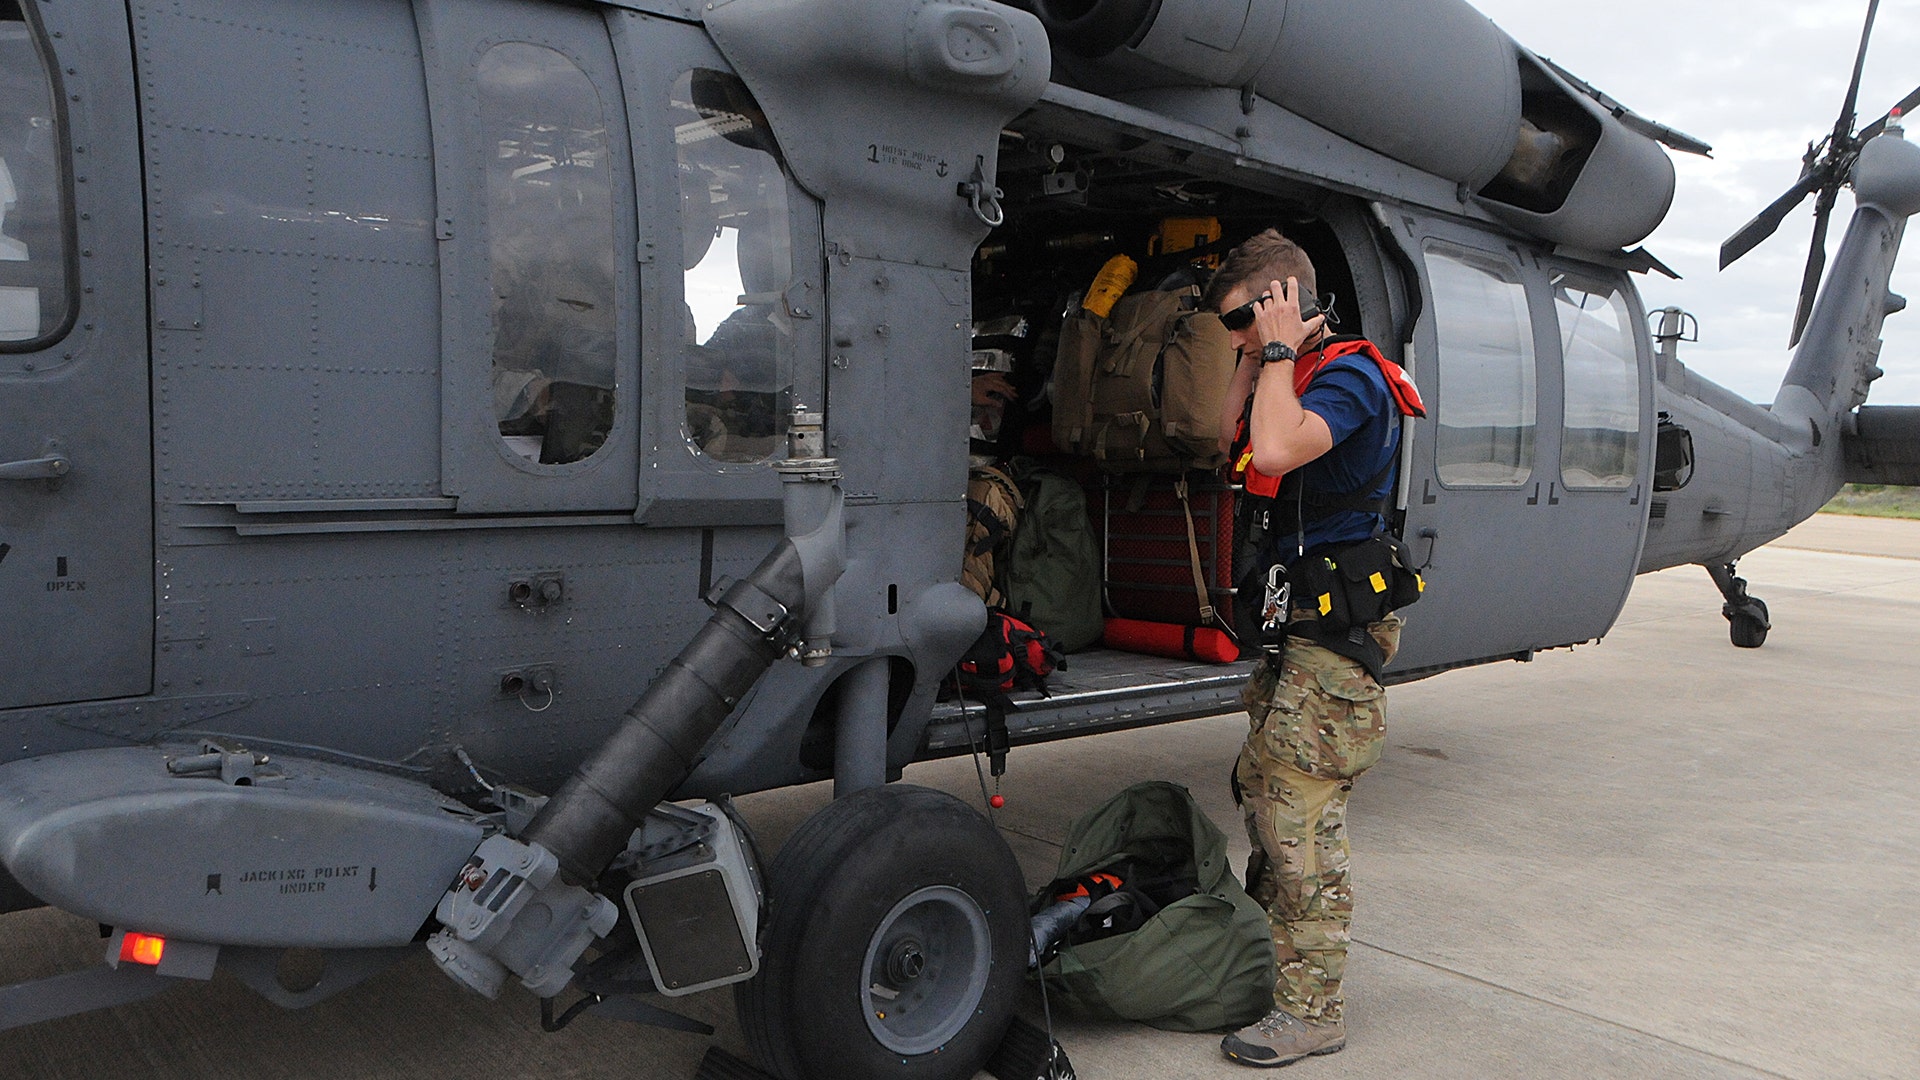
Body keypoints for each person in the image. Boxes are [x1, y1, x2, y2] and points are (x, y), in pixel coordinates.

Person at [1206, 229, 1423, 1067]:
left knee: (1299, 816)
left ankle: (1313, 1010)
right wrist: (1257, 351)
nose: (1233, 337)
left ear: (1285, 302)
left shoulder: (1352, 376)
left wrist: (1275, 350)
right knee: (1265, 791)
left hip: (1338, 636)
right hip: (1294, 626)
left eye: (1239, 318)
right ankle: (1277, 973)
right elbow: (1223, 431)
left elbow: (1280, 448)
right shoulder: (1281, 371)